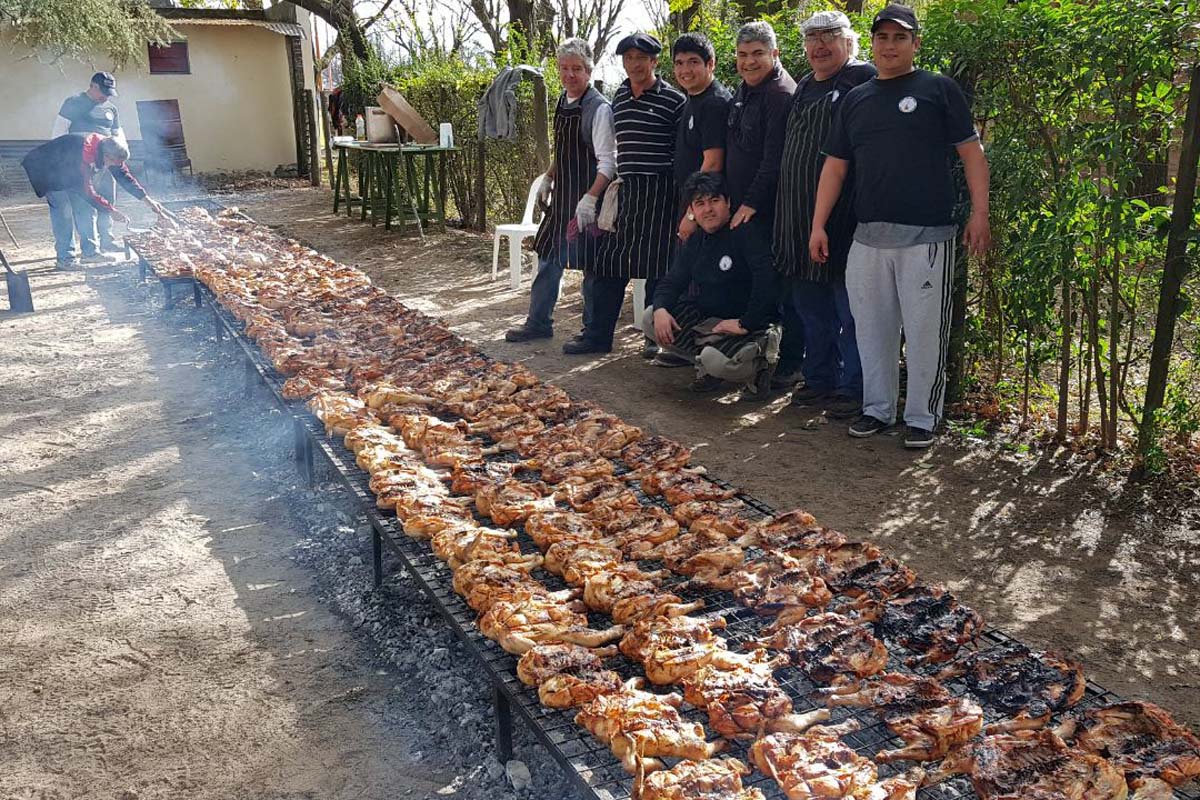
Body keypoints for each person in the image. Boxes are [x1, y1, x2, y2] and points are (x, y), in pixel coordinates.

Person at [810, 3, 991, 448]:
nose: (890, 45)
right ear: (871, 43)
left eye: (900, 37)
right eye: (883, 37)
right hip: (866, 237)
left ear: (915, 43)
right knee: (871, 330)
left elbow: (971, 153)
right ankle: (878, 409)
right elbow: (834, 168)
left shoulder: (938, 89)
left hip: (927, 238)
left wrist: (980, 213)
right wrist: (818, 225)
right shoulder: (856, 98)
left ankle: (923, 417)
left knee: (925, 331)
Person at [774, 11, 876, 418]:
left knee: (849, 312)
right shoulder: (802, 87)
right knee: (810, 310)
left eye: (829, 37)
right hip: (797, 219)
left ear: (848, 42)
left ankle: (853, 389)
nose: (819, 46)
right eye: (812, 38)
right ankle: (819, 380)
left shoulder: (862, 78)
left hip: (843, 220)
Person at [566, 33, 686, 356]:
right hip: (628, 191)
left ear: (654, 61)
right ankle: (598, 336)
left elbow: (683, 153)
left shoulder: (675, 101)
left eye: (641, 58)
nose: (634, 64)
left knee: (660, 267)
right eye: (628, 58)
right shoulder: (618, 97)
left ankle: (655, 340)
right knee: (607, 262)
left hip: (662, 192)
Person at [505, 38, 616, 344]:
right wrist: (548, 178)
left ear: (589, 70)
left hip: (588, 202)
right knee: (548, 259)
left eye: (577, 69)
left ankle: (593, 334)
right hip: (563, 199)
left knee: (592, 268)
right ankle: (539, 323)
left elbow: (608, 162)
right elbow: (565, 150)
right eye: (564, 68)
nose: (570, 75)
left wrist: (591, 199)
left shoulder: (598, 109)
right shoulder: (561, 100)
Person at [646, 171, 779, 394]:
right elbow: (672, 281)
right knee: (651, 317)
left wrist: (744, 323)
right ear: (693, 210)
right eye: (700, 204)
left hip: (749, 325)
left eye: (714, 201)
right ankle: (706, 368)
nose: (708, 209)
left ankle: (760, 368)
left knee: (715, 359)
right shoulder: (696, 240)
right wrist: (661, 308)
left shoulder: (746, 233)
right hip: (711, 323)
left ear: (728, 202)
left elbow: (767, 282)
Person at [724, 21, 802, 390]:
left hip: (770, 212)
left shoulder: (780, 94)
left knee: (779, 289)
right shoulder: (744, 91)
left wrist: (750, 203)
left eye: (757, 54)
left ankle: (787, 366)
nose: (749, 62)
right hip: (740, 207)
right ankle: (751, 360)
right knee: (754, 285)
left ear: (775, 54)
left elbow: (775, 159)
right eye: (742, 55)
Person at [22, 133, 170, 270]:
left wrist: (147, 200)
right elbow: (87, 191)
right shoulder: (82, 155)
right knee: (64, 212)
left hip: (68, 173)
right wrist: (110, 210)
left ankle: (90, 253)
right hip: (47, 171)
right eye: (114, 163)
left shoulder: (110, 148)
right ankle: (65, 259)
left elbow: (124, 177)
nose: (114, 166)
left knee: (86, 209)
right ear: (106, 156)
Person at [50, 72, 126, 267]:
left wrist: (121, 155)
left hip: (100, 163)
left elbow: (117, 134)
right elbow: (58, 133)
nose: (106, 97)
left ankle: (96, 247)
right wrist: (64, 164)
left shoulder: (111, 108)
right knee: (65, 210)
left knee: (93, 204)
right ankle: (66, 257)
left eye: (110, 93)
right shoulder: (73, 103)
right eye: (103, 92)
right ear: (92, 86)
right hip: (70, 166)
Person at [670, 32, 731, 244]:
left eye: (693, 62)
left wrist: (692, 214)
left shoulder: (714, 103)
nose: (685, 70)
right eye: (679, 63)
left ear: (710, 64)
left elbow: (713, 162)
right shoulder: (693, 98)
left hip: (707, 211)